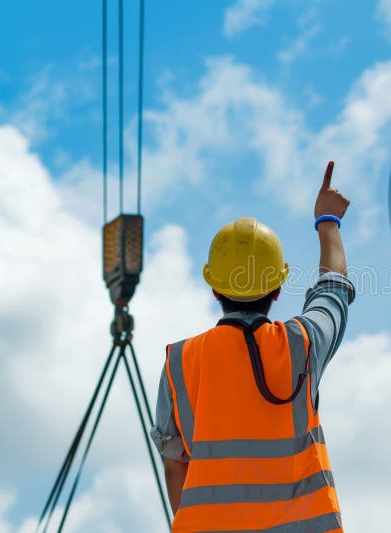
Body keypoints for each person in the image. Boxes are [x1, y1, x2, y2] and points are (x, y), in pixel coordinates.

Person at [150, 161, 354, 532]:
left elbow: (174, 465)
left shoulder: (179, 362)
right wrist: (328, 221)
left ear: (214, 288)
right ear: (278, 289)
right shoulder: (302, 343)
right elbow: (334, 288)